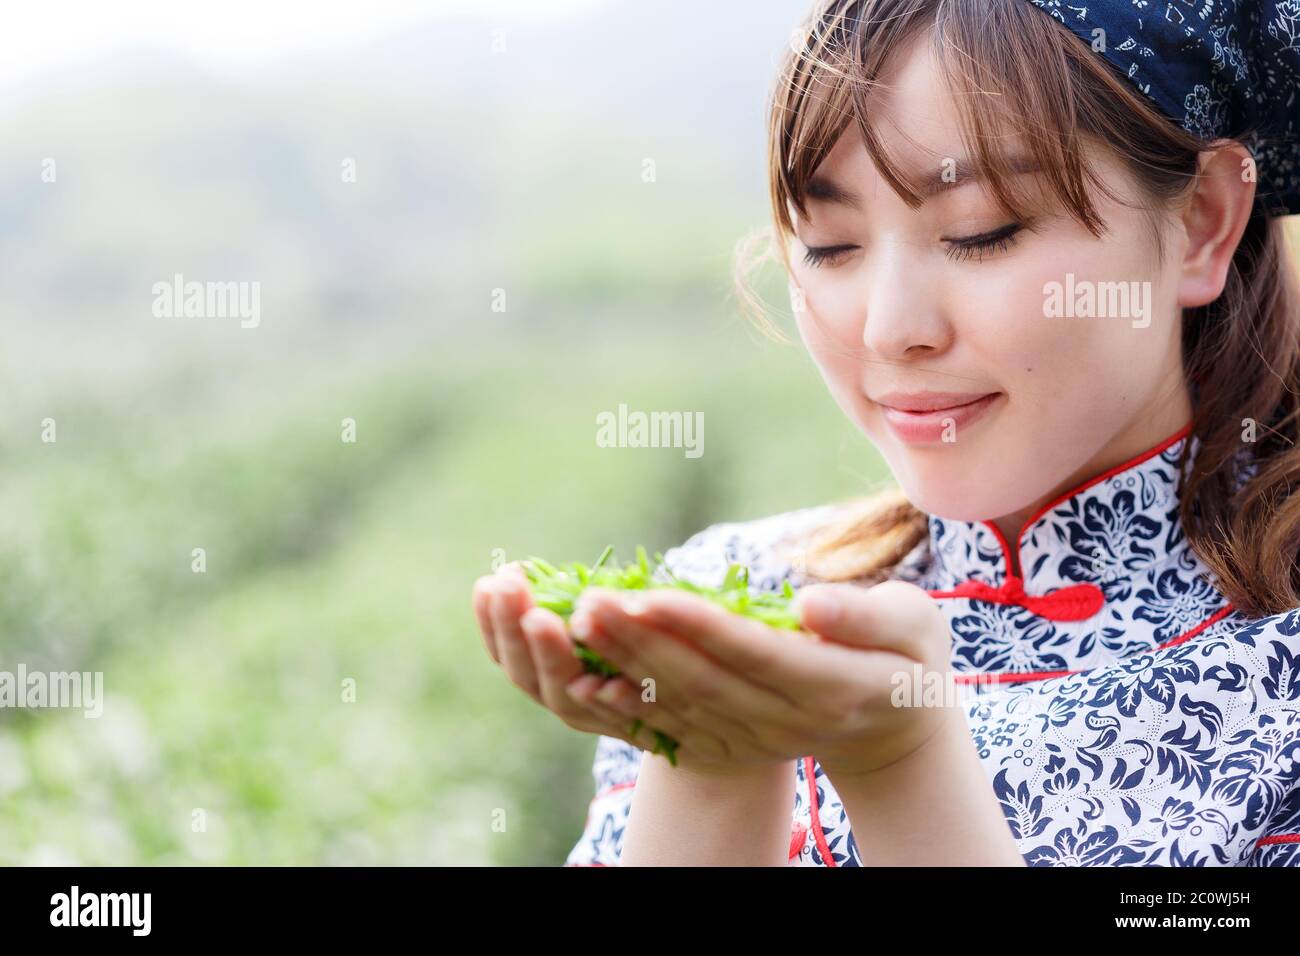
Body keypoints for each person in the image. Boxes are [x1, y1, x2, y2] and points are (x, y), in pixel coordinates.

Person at [472, 0, 1300, 865]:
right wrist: (713, 764)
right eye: (830, 245)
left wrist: (901, 766)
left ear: (1201, 220)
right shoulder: (727, 603)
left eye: (982, 233)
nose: (888, 328)